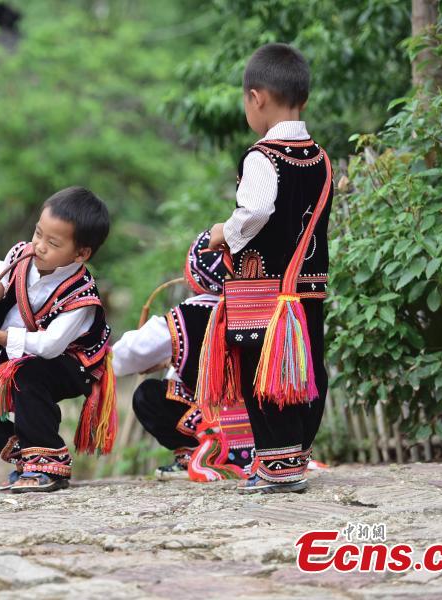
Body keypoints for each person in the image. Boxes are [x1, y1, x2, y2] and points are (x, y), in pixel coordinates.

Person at [206, 43, 332, 494]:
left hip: (265, 295)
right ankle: (294, 454)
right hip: (308, 290)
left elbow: (256, 210)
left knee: (264, 372)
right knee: (306, 369)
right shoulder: (320, 157)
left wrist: (224, 231)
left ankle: (277, 465)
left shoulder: (262, 156)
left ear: (256, 97)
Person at [0, 187, 116, 493]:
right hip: (20, 360)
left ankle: (48, 459)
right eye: (38, 233)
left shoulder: (82, 295)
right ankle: (27, 455)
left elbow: (50, 346)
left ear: (81, 254)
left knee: (29, 373)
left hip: (68, 367)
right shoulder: (21, 255)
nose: (39, 246)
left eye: (52, 243)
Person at [112, 230, 254, 481]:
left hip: (212, 423)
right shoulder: (254, 309)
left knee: (148, 395)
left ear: (192, 275)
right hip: (256, 423)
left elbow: (121, 359)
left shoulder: (180, 320)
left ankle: (198, 453)